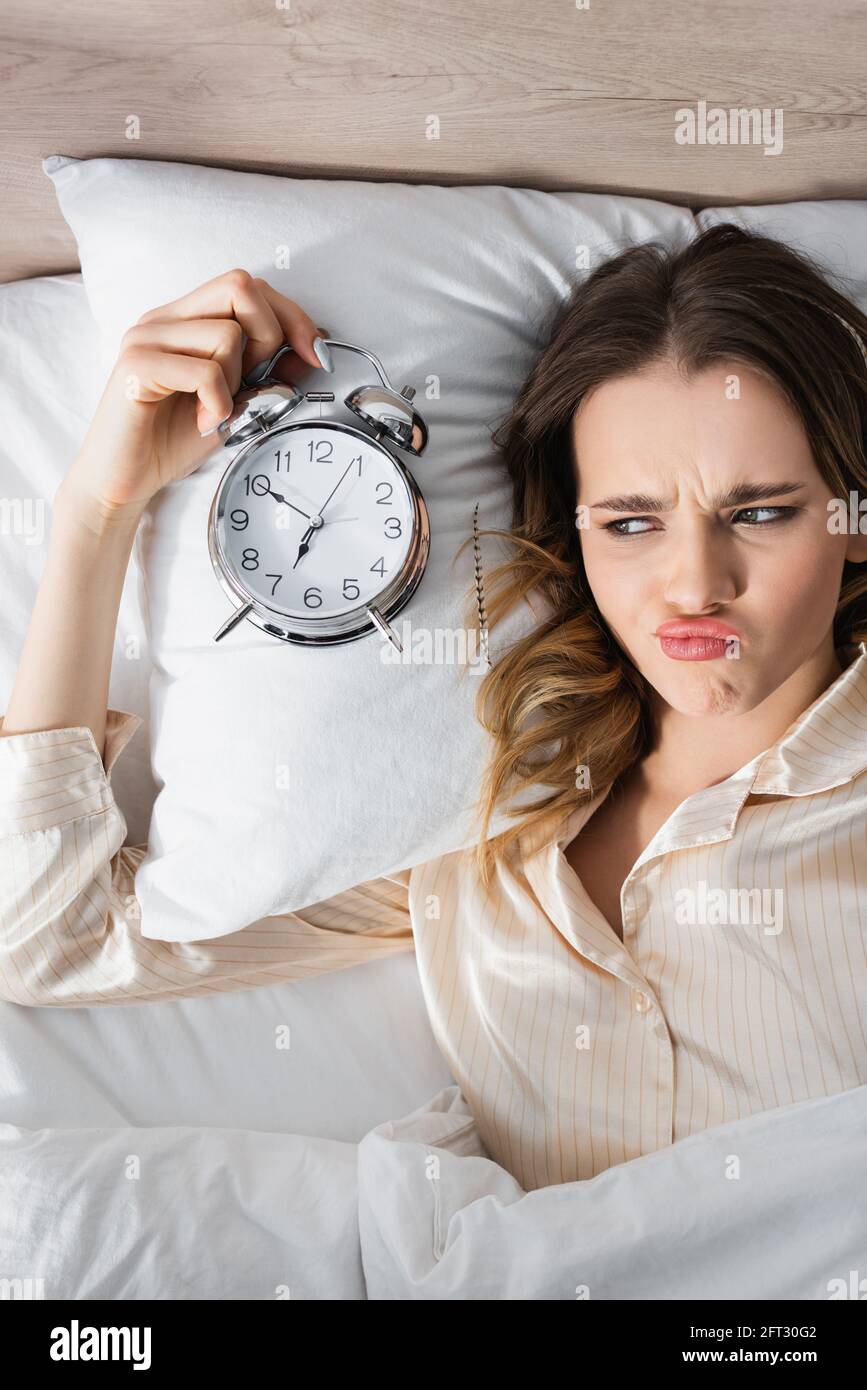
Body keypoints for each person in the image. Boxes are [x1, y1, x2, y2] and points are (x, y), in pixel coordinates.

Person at [2, 226, 866, 1194]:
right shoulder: (475, 816)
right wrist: (94, 511)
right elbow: (52, 935)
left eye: (759, 512)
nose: (696, 584)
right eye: (631, 523)